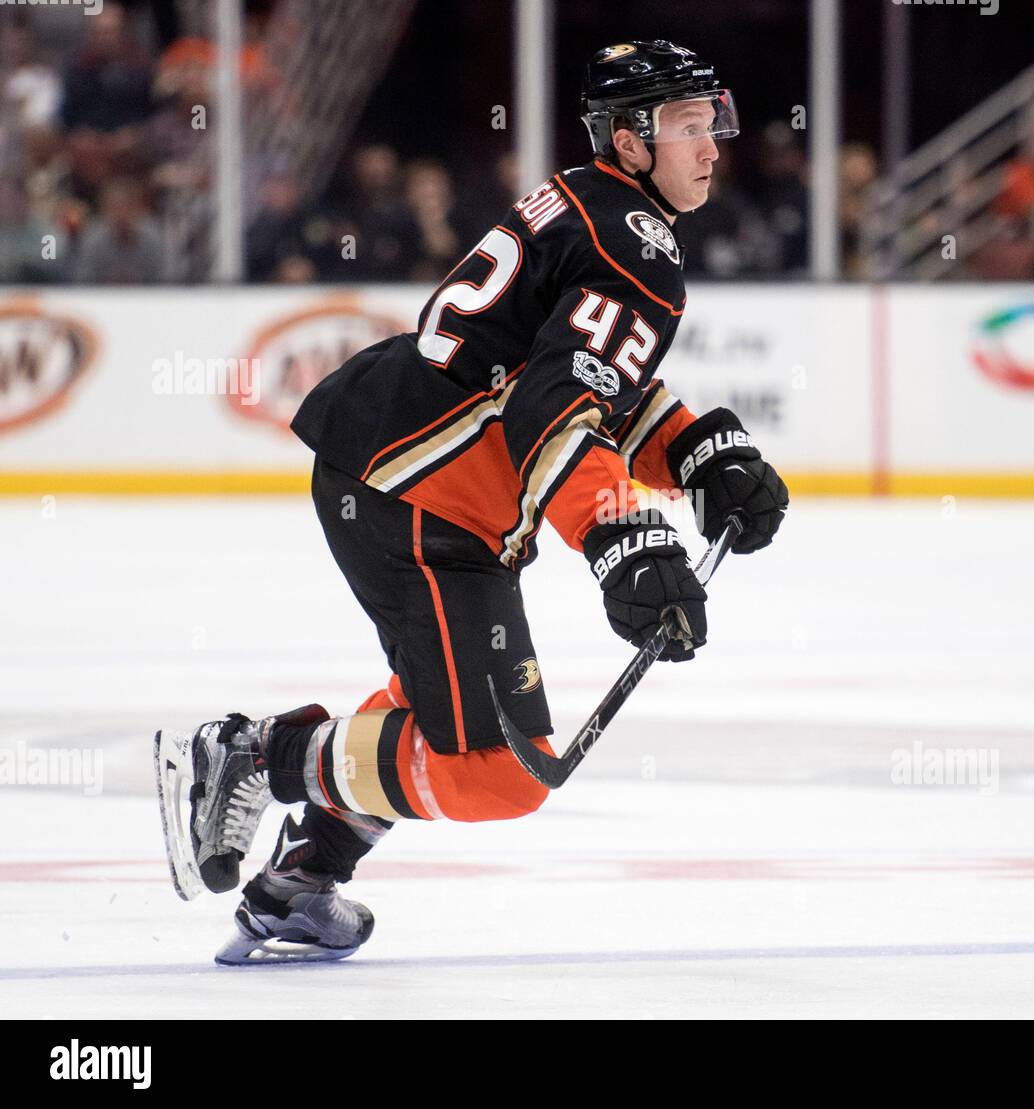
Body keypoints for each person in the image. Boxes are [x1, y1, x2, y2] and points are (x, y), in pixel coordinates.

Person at [154, 39, 789, 964]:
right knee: (500, 770)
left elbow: (573, 380)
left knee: (427, 708)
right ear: (630, 138)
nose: (712, 146)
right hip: (420, 497)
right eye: (690, 127)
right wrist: (622, 539)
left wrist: (695, 452)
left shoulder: (586, 200)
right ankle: (255, 754)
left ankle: (300, 879)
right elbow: (553, 407)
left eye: (711, 123)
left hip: (394, 472)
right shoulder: (635, 243)